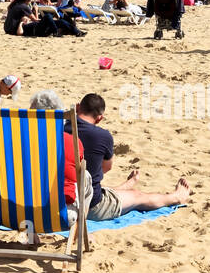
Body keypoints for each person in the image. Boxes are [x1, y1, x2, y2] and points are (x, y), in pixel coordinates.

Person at [69, 93, 191, 221]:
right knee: (137, 196)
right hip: (89, 207)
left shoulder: (57, 130)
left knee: (87, 183)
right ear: (99, 118)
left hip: (58, 200)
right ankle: (177, 197)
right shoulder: (102, 136)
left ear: (77, 107)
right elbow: (105, 168)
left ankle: (124, 187)